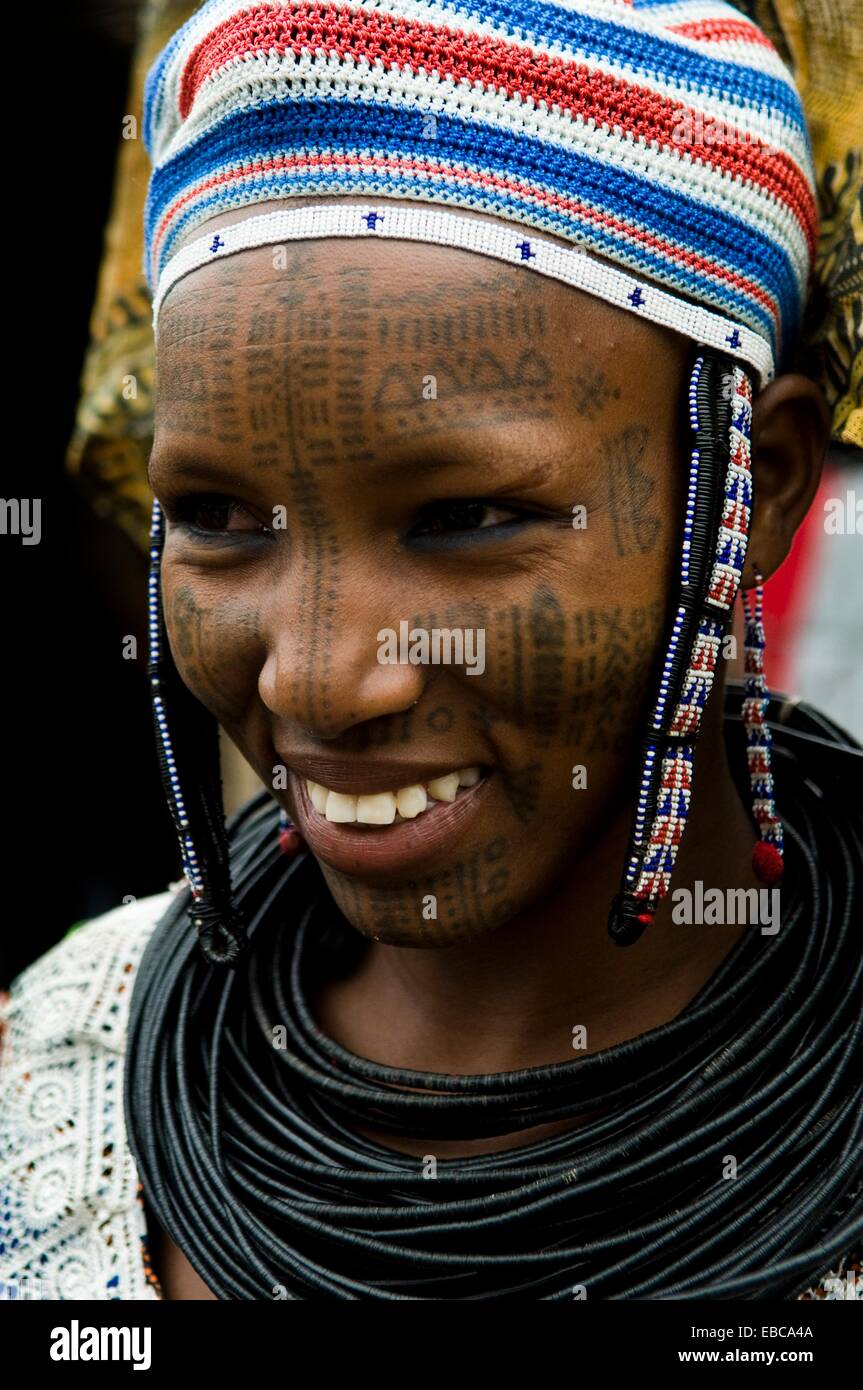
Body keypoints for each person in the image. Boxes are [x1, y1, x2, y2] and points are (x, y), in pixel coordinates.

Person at [1, 0, 860, 1302]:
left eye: (464, 518)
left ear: (763, 482)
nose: (318, 678)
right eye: (222, 521)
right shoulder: (52, 1070)